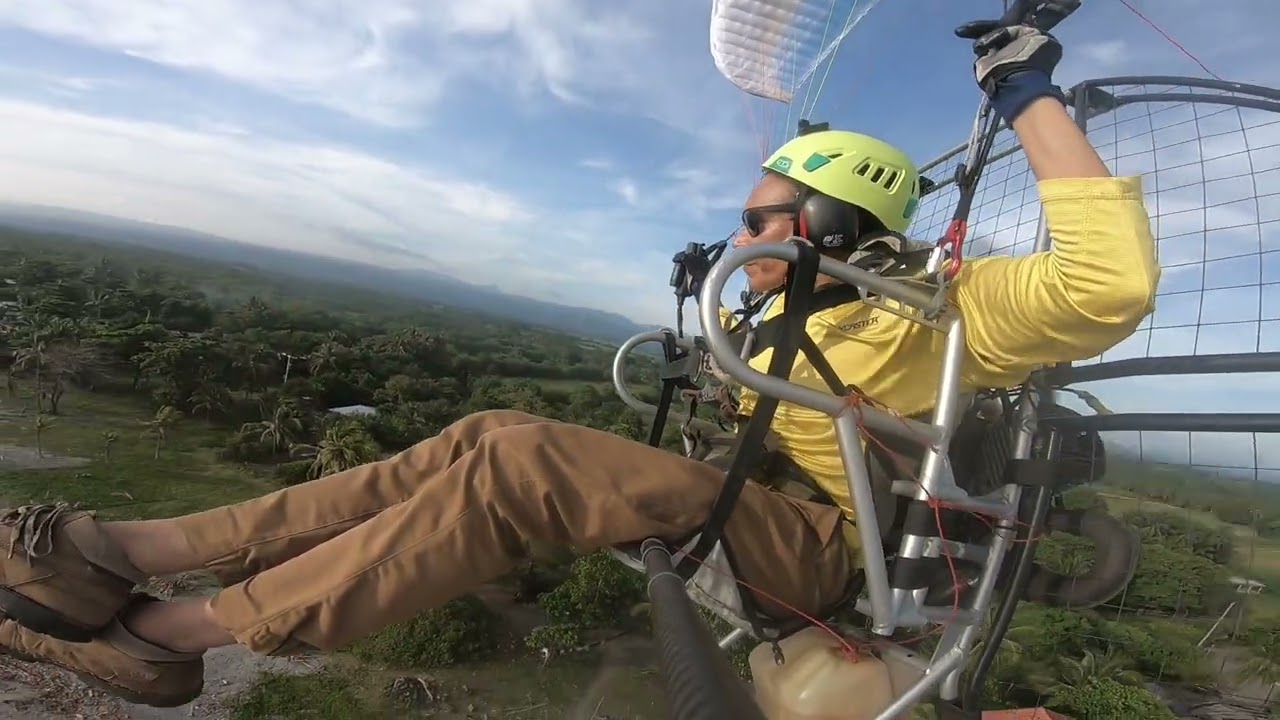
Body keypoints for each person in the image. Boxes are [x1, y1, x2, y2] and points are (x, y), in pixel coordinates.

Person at [0, 22, 1159, 709]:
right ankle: (131, 553)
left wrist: (1027, 96)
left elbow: (1105, 285)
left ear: (828, 223)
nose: (741, 236)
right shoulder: (789, 311)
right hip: (773, 509)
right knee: (491, 433)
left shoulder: (943, 309)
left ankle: (175, 639)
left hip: (844, 554)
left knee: (528, 468)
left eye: (760, 218)